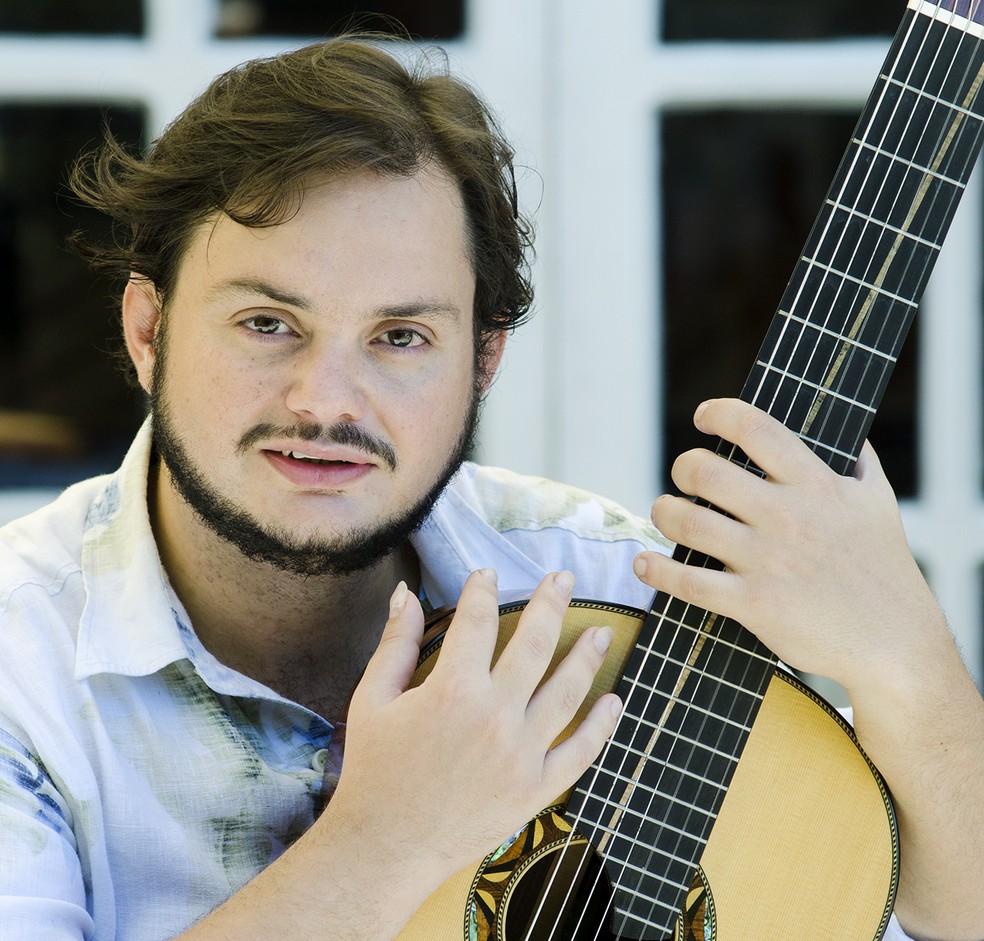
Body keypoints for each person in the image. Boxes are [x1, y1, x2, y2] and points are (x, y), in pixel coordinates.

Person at [0, 33, 978, 941]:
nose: (325, 399)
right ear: (148, 329)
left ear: (482, 361)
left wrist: (909, 662)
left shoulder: (615, 598)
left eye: (400, 337)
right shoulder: (19, 659)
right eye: (267, 322)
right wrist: (385, 841)